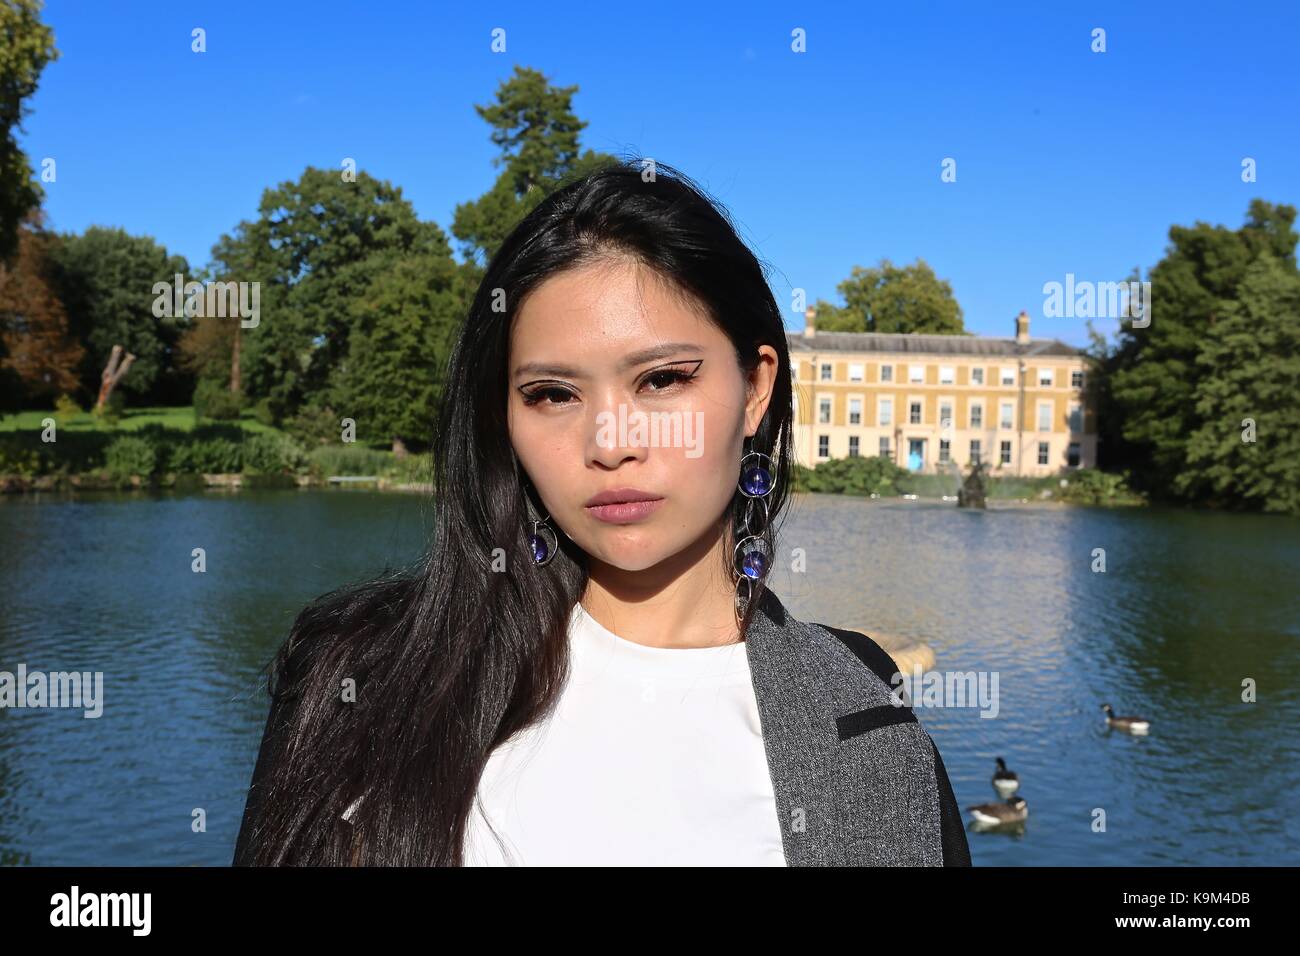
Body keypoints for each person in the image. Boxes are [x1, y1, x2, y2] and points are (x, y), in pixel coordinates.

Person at [232, 158, 970, 866]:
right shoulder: (356, 681)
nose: (610, 445)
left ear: (755, 388)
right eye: (554, 393)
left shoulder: (869, 724)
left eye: (661, 380)